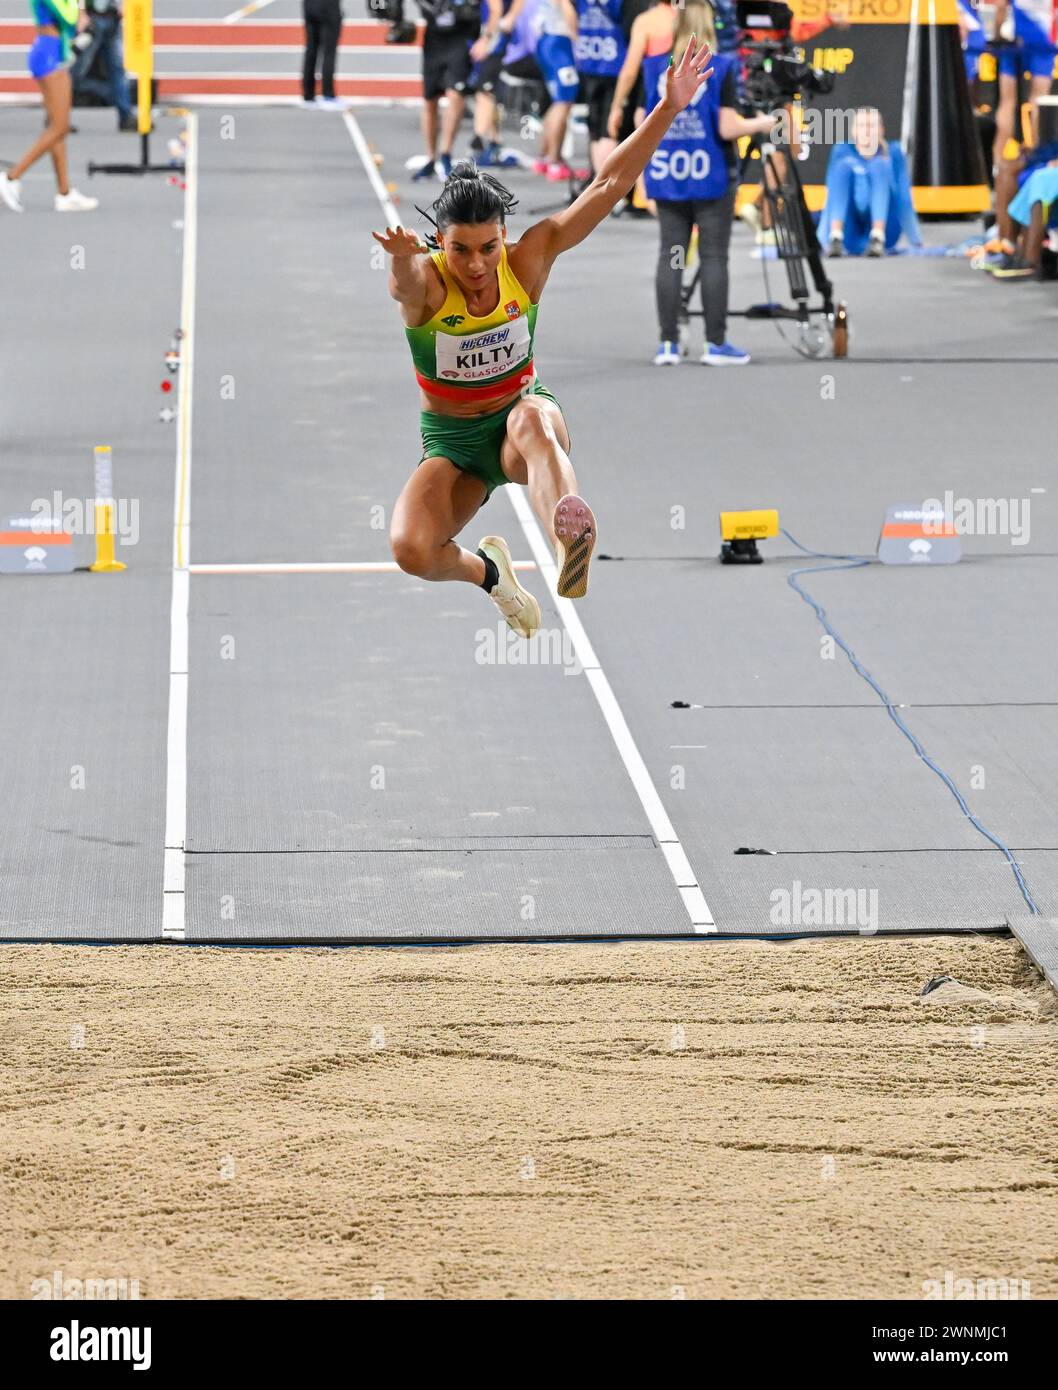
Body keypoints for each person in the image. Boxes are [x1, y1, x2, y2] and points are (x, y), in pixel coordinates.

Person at [372, 35, 714, 638]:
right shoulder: (425, 282)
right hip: (452, 442)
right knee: (412, 550)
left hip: (518, 421)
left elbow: (606, 187)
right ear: (439, 244)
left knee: (530, 423)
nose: (476, 266)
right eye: (460, 251)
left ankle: (570, 540)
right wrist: (401, 261)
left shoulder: (527, 261)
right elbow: (402, 288)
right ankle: (494, 578)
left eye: (487, 248)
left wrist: (667, 108)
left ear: (503, 237)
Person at [610, 1, 771, 365]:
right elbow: (727, 127)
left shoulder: (655, 67)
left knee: (672, 254)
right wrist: (764, 123)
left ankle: (668, 342)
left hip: (668, 174)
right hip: (710, 175)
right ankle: (715, 343)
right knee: (714, 256)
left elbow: (641, 120)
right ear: (710, 24)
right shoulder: (722, 67)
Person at [0, 1, 99, 213]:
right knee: (59, 128)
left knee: (57, 128)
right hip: (47, 56)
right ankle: (11, 177)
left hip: (55, 53)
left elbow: (73, 27)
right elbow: (68, 17)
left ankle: (64, 193)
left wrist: (79, 13)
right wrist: (80, 10)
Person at [820, 108, 921, 258]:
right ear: (854, 131)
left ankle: (877, 236)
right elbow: (831, 197)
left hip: (887, 233)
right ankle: (835, 237)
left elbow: (903, 197)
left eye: (871, 126)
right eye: (861, 126)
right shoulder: (842, 150)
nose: (866, 131)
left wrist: (916, 241)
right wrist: (822, 240)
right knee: (842, 167)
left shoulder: (893, 152)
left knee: (879, 165)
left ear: (881, 130)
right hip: (850, 235)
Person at [412, 0, 482, 182]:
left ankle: (445, 154)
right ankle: (431, 158)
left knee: (456, 95)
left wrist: (487, 36)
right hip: (434, 41)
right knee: (429, 100)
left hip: (461, 38)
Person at [991, 0, 1057, 174]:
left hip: (1014, 38)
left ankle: (996, 162)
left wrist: (997, 36)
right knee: (1038, 101)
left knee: (1007, 102)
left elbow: (1000, 6)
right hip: (1042, 38)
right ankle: (1035, 159)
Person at [572, 0, 627, 178]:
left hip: (590, 61)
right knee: (605, 128)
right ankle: (602, 182)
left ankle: (596, 179)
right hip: (610, 64)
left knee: (596, 126)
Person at [70, 0, 134, 130]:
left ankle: (126, 117)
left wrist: (124, 5)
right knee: (78, 70)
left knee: (117, 69)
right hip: (92, 18)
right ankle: (58, 116)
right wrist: (81, 12)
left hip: (113, 18)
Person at [302, 0, 345, 108]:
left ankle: (308, 94)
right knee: (329, 51)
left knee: (311, 49)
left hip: (309, 5)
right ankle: (328, 94)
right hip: (328, 5)